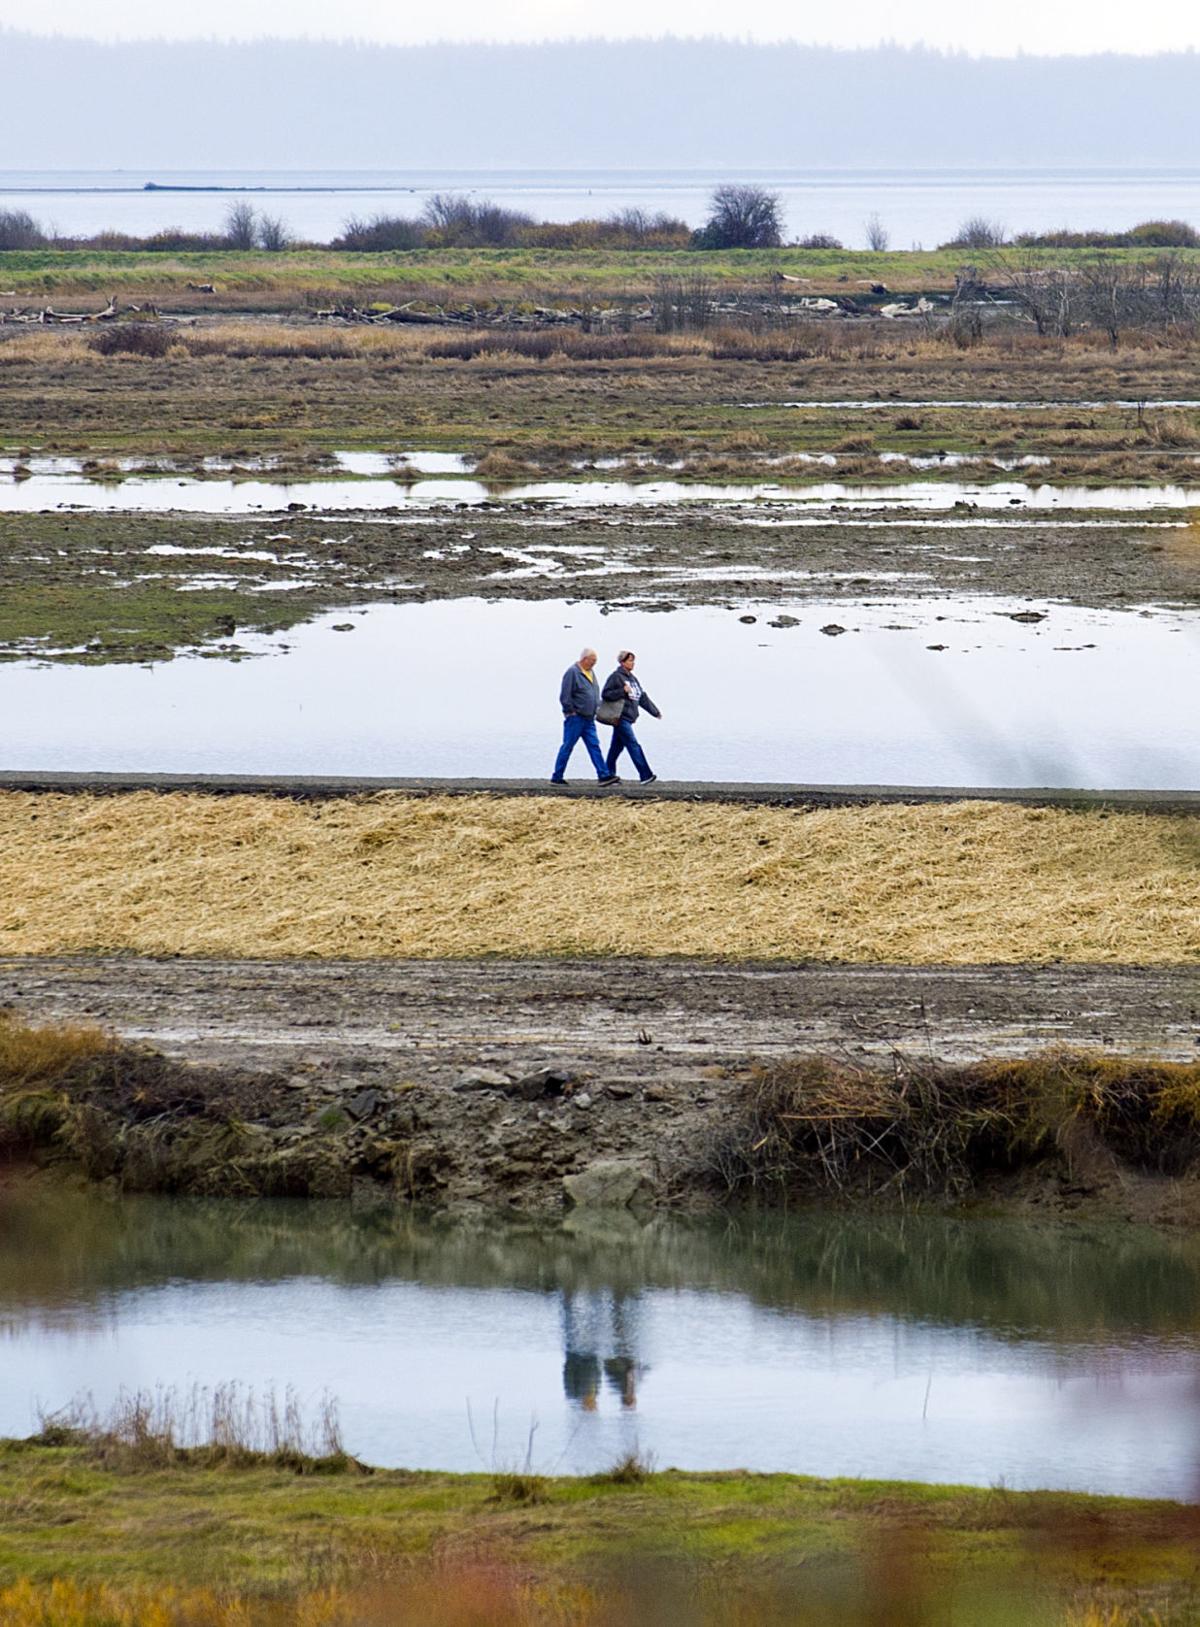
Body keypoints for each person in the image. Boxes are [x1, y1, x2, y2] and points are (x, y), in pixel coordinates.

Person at [551, 647, 619, 785]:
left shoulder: (590, 672)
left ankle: (603, 775)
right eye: (592, 661)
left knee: (594, 746)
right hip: (576, 718)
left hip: (589, 718)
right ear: (584, 659)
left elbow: (593, 693)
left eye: (595, 661)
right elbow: (565, 695)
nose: (594, 663)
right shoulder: (572, 672)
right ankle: (557, 777)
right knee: (568, 746)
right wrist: (570, 711)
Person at [601, 650, 661, 785]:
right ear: (622, 662)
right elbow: (606, 694)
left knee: (615, 748)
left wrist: (655, 712)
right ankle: (645, 775)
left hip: (629, 717)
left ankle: (608, 775)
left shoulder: (633, 679)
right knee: (633, 745)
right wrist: (622, 691)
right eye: (630, 660)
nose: (632, 663)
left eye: (633, 660)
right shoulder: (615, 677)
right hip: (620, 717)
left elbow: (642, 697)